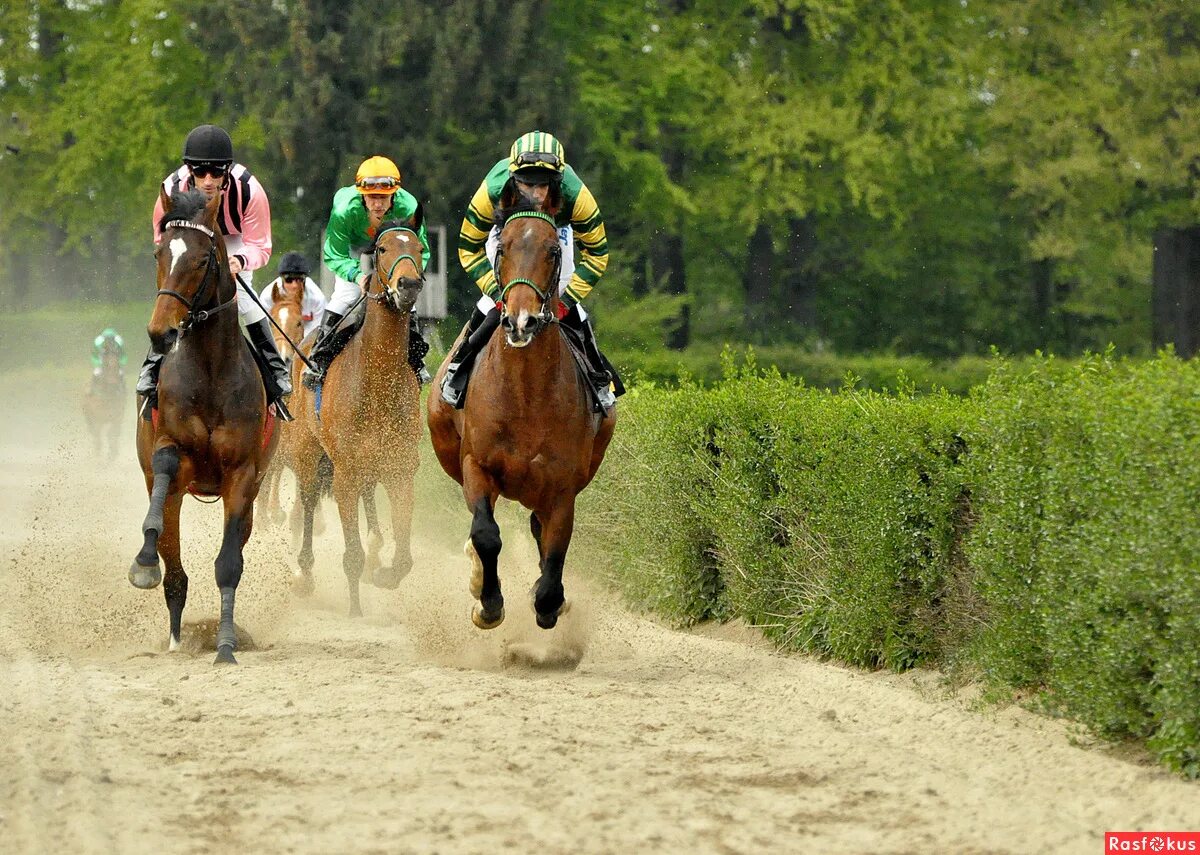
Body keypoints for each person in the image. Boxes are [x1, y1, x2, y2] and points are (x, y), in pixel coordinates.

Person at [444, 130, 618, 409]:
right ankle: (458, 368)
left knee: (568, 300)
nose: (535, 194)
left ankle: (599, 378)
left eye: (543, 185)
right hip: (507, 235)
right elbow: (468, 247)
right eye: (526, 184)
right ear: (513, 179)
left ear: (557, 182)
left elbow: (597, 254)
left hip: (554, 234)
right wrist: (496, 294)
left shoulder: (577, 196)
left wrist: (565, 302)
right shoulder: (492, 190)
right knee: (492, 303)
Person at [136, 123, 292, 414]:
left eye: (217, 172)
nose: (208, 181)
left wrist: (240, 261)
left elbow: (261, 245)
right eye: (200, 171)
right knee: (174, 297)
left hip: (234, 240)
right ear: (189, 169)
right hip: (190, 241)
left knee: (244, 299)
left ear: (227, 170)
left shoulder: (250, 190)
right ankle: (151, 367)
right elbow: (162, 240)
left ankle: (276, 371)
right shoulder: (170, 189)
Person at [301, 155, 431, 390]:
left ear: (394, 194)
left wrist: (402, 275)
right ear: (362, 194)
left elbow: (421, 250)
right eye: (372, 197)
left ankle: (416, 361)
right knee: (346, 295)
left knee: (407, 300)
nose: (378, 204)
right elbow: (334, 254)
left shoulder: (409, 207)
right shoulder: (345, 209)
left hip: (392, 250)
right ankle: (318, 358)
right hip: (354, 249)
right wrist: (357, 276)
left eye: (383, 197)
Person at [259, 251, 327, 341]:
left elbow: (317, 333)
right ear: (282, 279)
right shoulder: (267, 297)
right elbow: (265, 332)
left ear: (305, 279)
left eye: (299, 279)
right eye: (289, 279)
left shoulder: (317, 298)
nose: (294, 285)